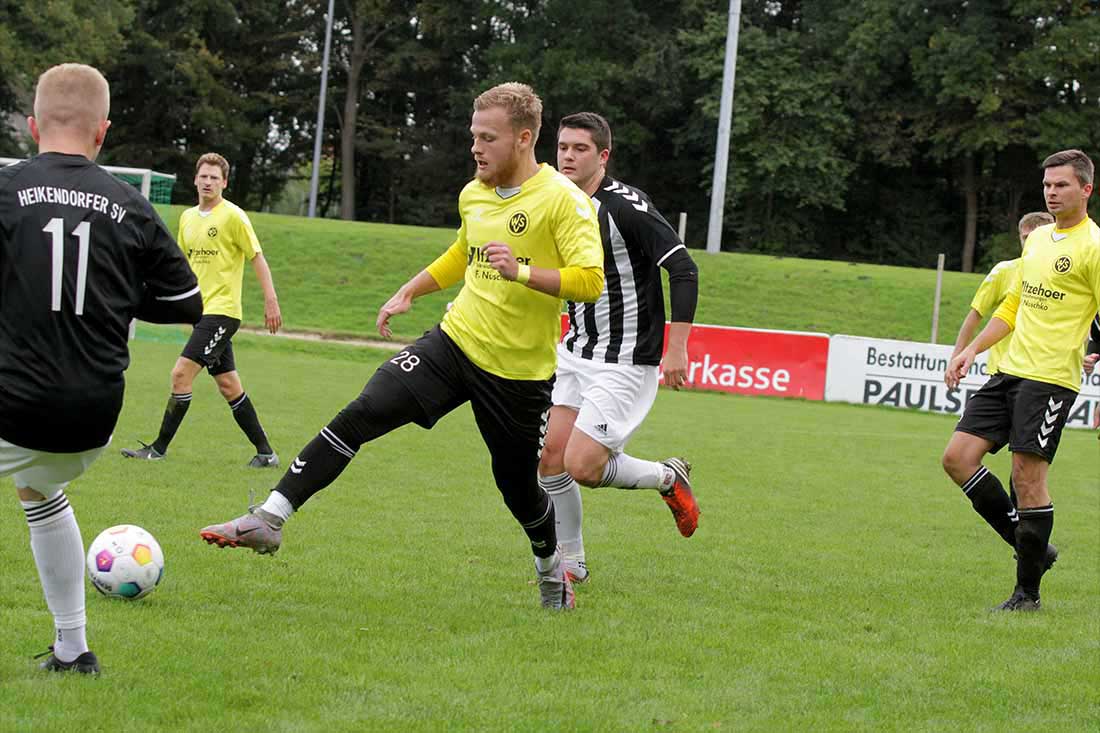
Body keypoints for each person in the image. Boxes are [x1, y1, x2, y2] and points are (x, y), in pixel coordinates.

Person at [198, 82, 604, 610]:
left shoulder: (564, 202)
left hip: (518, 374)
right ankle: (270, 517)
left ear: (524, 139)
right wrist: (411, 289)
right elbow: (464, 251)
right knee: (363, 411)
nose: (476, 148)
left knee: (517, 488)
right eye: (472, 136)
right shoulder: (474, 192)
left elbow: (589, 280)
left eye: (488, 137)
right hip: (455, 342)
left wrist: (521, 271)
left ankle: (552, 571)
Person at [0, 63, 202, 674]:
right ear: (102, 133)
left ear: (33, 126)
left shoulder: (7, 192)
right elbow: (185, 304)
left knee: (29, 466)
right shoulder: (131, 205)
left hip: (15, 407)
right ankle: (73, 648)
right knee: (39, 488)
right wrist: (112, 291)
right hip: (92, 421)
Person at [537, 112, 700, 583]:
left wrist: (678, 348)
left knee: (583, 465)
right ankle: (573, 566)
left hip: (625, 359)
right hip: (575, 350)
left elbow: (684, 269)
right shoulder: (556, 201)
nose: (568, 155)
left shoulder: (625, 206)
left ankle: (668, 476)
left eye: (580, 149)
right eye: (563, 147)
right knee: (550, 460)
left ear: (603, 156)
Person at [944, 149, 1100, 611]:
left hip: (1051, 378)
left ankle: (1026, 595)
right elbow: (1012, 308)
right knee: (957, 458)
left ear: (1086, 189)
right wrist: (972, 350)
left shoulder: (1094, 246)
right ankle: (1032, 545)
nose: (1052, 193)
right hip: (1008, 372)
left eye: (1062, 185)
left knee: (1027, 478)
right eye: (1048, 185)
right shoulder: (1037, 241)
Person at [121, 152, 282, 466]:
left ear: (224, 183)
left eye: (214, 178)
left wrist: (270, 299)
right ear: (195, 179)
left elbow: (257, 257)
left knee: (180, 374)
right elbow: (181, 264)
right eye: (203, 176)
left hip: (222, 312)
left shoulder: (233, 216)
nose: (208, 182)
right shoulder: (188, 218)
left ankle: (157, 449)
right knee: (228, 384)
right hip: (201, 313)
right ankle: (267, 453)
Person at [944, 211, 1054, 508]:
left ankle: (1030, 546)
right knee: (959, 457)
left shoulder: (1060, 276)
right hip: (1002, 376)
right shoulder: (1006, 271)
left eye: (1036, 238)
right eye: (1024, 238)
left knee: (1024, 474)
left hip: (1041, 381)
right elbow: (977, 315)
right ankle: (1026, 542)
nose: (1029, 244)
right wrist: (958, 355)